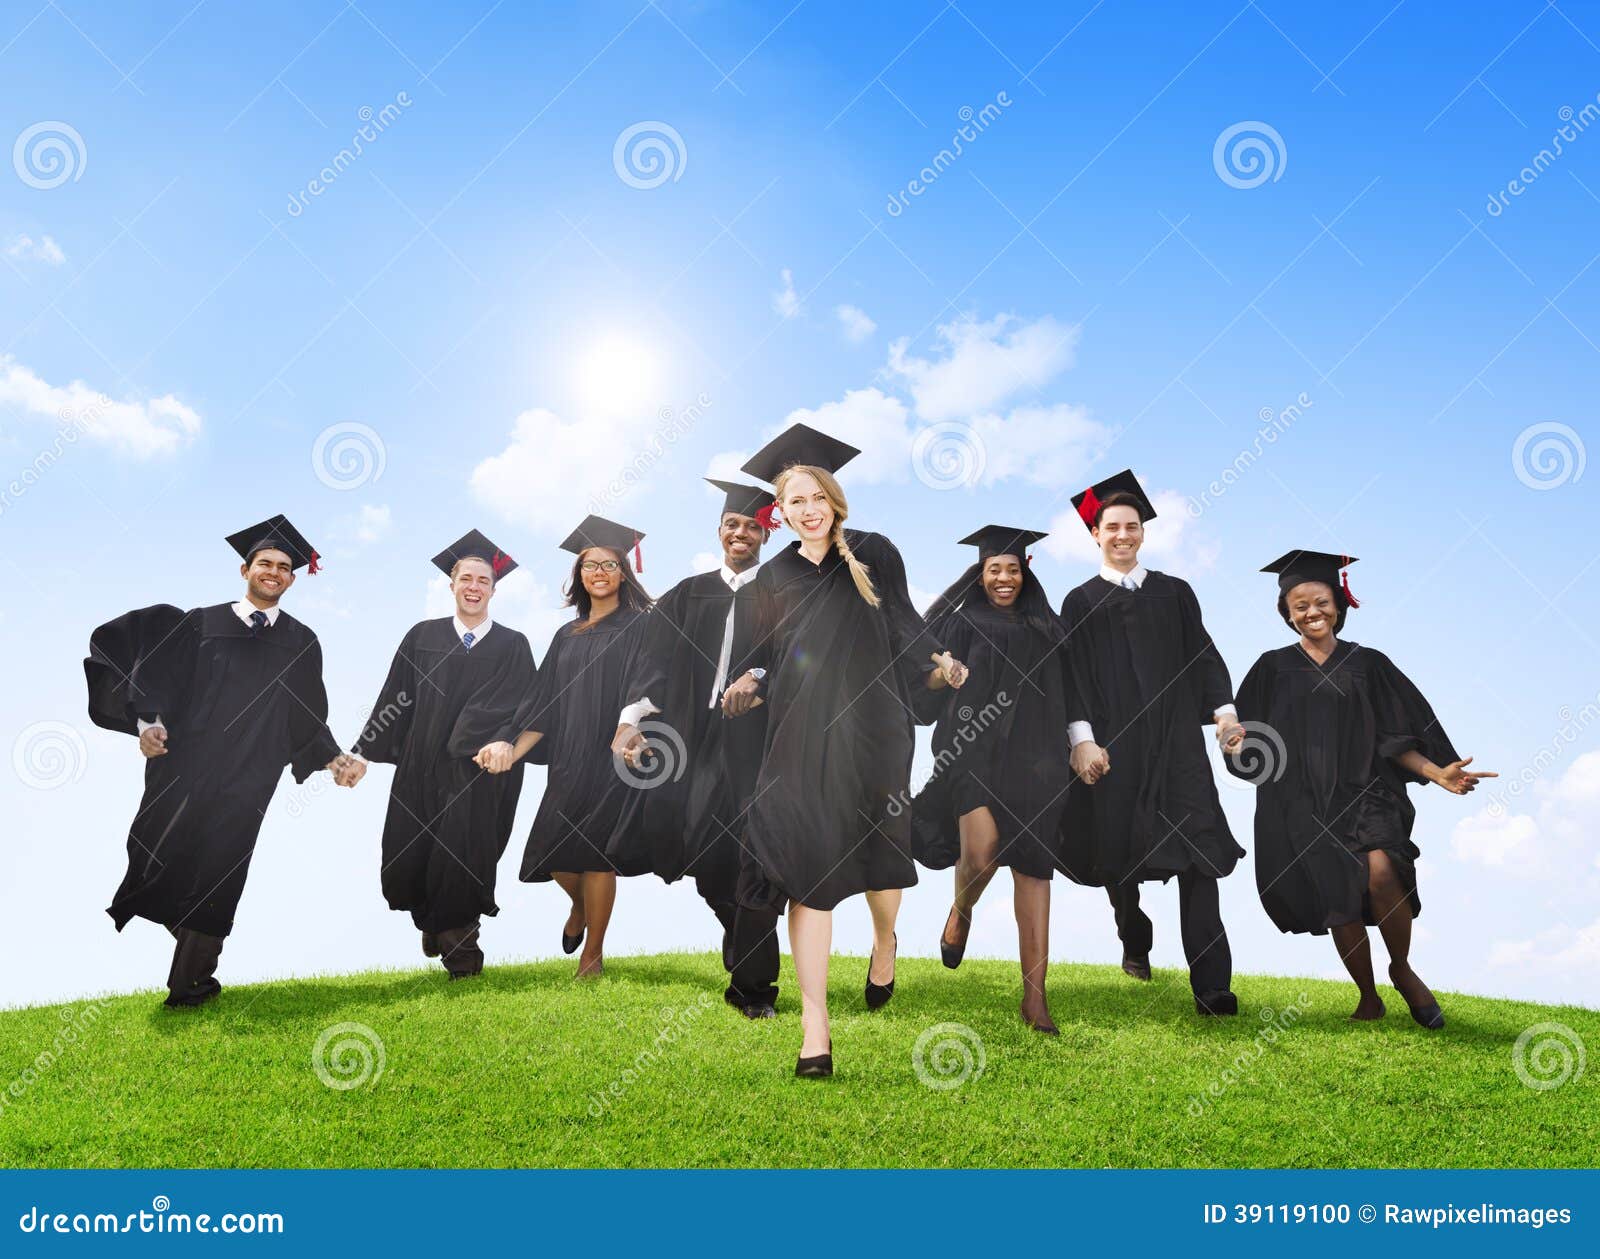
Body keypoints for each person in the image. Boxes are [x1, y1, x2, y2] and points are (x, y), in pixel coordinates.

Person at [721, 423, 968, 1077]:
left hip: (876, 730)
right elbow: (753, 661)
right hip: (800, 736)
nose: (808, 509)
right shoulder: (767, 581)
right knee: (811, 872)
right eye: (793, 500)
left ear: (834, 497)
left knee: (880, 865)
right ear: (780, 510)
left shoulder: (874, 554)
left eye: (816, 496)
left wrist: (940, 662)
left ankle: (885, 938)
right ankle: (814, 1025)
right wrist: (744, 682)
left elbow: (905, 623)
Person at [83, 515, 356, 1008]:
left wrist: (334, 759)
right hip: (182, 766)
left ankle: (190, 984)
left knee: (222, 869)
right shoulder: (199, 624)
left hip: (250, 776)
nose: (273, 572)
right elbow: (156, 683)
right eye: (265, 563)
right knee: (159, 854)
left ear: (293, 578)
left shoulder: (301, 641)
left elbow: (308, 714)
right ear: (245, 569)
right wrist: (146, 727)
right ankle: (190, 934)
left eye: (283, 567)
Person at [1227, 551, 1495, 1029]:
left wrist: (1437, 773)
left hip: (1370, 791)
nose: (1313, 612)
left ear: (1339, 603)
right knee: (1338, 896)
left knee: (1381, 871)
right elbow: (1249, 741)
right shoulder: (1271, 668)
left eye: (1321, 601)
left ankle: (1402, 969)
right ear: (1287, 613)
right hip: (1302, 801)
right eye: (1301, 604)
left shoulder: (1369, 664)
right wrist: (1234, 741)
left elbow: (1394, 739)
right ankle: (1367, 995)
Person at [1058, 470, 1247, 1016]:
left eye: (1132, 525)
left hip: (1177, 745)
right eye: (1111, 526)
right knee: (1121, 853)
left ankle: (1212, 986)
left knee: (1200, 857)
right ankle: (1133, 935)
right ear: (1095, 534)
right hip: (1115, 745)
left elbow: (1204, 656)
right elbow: (1070, 678)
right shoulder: (1080, 602)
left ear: (1143, 532)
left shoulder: (1175, 593)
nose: (1123, 535)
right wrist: (1082, 741)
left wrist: (1225, 717)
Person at [609, 479, 782, 1018]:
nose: (741, 533)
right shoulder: (689, 592)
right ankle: (743, 949)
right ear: (720, 530)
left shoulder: (786, 592)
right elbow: (654, 659)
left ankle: (755, 989)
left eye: (752, 526)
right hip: (696, 737)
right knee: (709, 859)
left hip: (762, 741)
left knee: (757, 856)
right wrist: (629, 720)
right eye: (733, 524)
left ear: (766, 534)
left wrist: (762, 678)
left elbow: (802, 656)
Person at [343, 530, 536, 978]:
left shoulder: (514, 645)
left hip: (477, 773)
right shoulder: (422, 637)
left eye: (483, 580)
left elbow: (528, 706)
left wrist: (504, 741)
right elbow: (394, 697)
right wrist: (362, 754)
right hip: (422, 766)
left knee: (462, 855)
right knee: (413, 854)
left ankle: (462, 957)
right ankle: (431, 918)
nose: (473, 587)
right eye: (465, 578)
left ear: (493, 588)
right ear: (450, 585)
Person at [911, 525, 1074, 1034]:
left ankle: (1035, 999)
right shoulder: (959, 625)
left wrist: (1077, 743)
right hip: (971, 751)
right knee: (980, 853)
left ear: (1026, 573)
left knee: (1033, 868)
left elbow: (1070, 692)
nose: (1004, 578)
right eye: (993, 569)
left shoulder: (1048, 626)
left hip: (1038, 757)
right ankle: (961, 910)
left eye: (1012, 569)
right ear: (978, 575)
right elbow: (925, 695)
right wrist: (943, 675)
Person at [477, 515, 651, 979]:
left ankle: (592, 956)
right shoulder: (565, 635)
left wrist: (631, 729)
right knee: (554, 852)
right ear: (578, 575)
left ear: (623, 572)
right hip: (570, 755)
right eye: (590, 565)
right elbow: (542, 703)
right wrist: (512, 750)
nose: (599, 572)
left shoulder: (640, 627)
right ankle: (579, 908)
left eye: (609, 565)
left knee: (597, 854)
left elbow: (648, 684)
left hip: (614, 754)